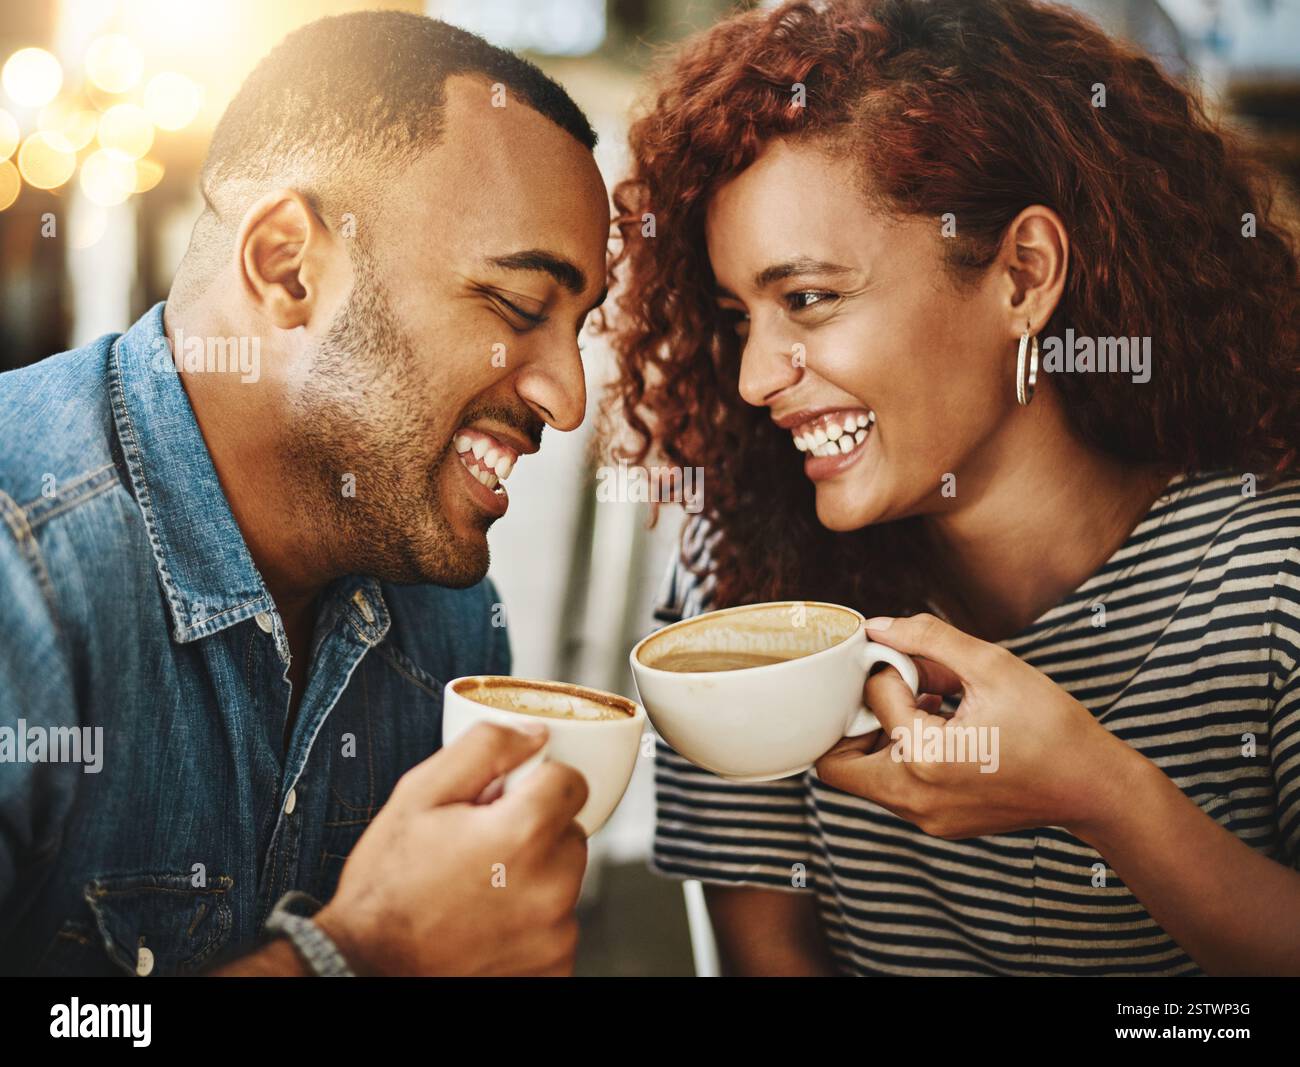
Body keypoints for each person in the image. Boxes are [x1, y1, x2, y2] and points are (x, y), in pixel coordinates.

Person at [604, 0, 1300, 975]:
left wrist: (1101, 792)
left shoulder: (1273, 595)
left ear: (1022, 274)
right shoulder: (743, 598)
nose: (754, 377)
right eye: (738, 315)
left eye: (807, 298)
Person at [0, 11, 608, 976]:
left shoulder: (453, 623)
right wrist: (360, 954)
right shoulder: (19, 564)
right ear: (287, 266)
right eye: (519, 306)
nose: (568, 400)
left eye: (579, 328)